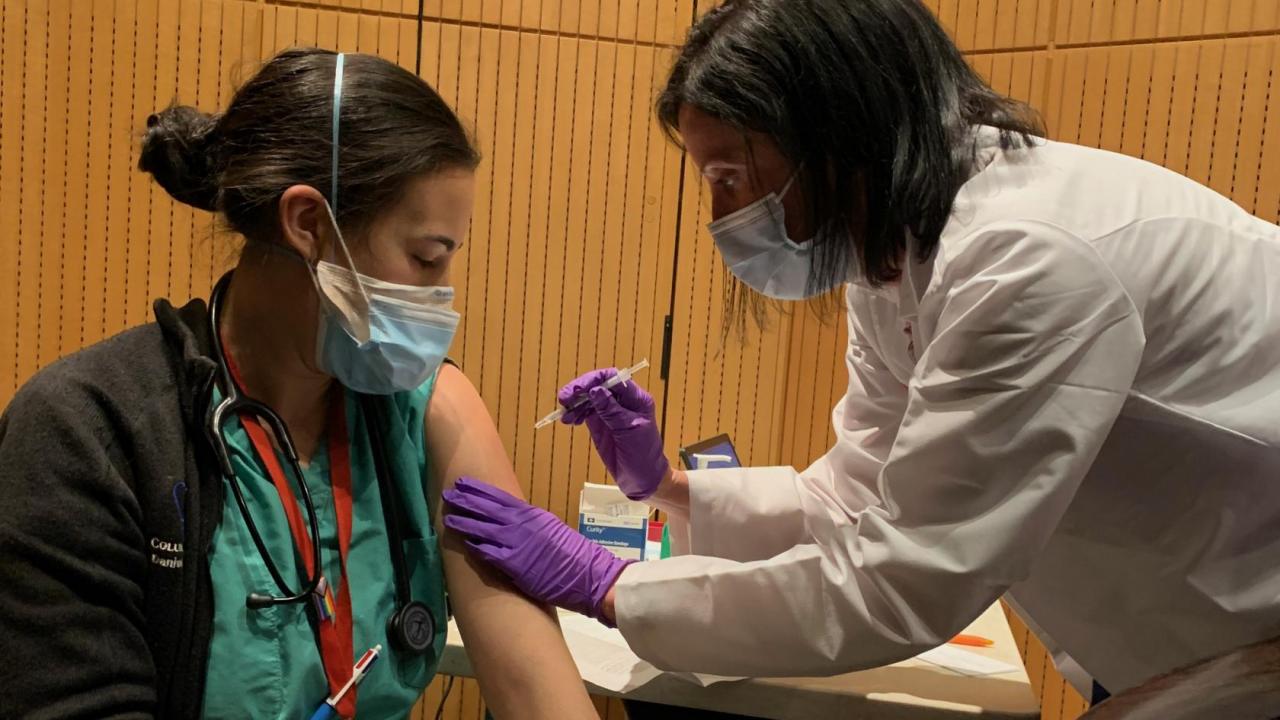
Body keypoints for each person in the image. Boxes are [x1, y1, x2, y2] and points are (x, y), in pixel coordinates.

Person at [441, 0, 1280, 702]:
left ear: (835, 132)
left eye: (729, 178)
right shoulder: (896, 260)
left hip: (1252, 619)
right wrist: (669, 487)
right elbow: (860, 493)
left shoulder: (1031, 254)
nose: (722, 219)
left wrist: (611, 585)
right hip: (1177, 626)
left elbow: (904, 578)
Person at [0, 48, 596, 719]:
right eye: (427, 258)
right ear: (309, 224)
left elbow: (538, 690)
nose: (442, 300)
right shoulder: (89, 430)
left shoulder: (428, 412)